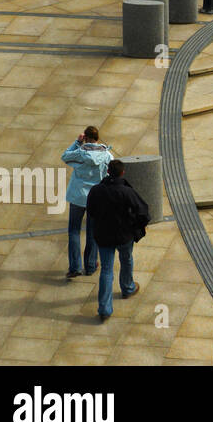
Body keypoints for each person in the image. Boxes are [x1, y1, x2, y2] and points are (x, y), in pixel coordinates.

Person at [85, 159, 150, 322]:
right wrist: (136, 225)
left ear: (107, 172)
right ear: (122, 173)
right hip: (124, 235)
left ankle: (104, 309)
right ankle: (127, 287)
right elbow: (144, 212)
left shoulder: (96, 190)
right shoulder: (127, 192)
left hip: (103, 236)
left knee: (106, 270)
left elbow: (91, 212)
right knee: (126, 259)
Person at [61, 126, 113, 280]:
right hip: (96, 198)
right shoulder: (107, 156)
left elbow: (65, 156)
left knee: (74, 231)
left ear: (86, 138)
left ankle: (75, 267)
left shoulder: (80, 153)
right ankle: (90, 265)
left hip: (78, 197)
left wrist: (77, 142)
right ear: (97, 138)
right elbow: (111, 174)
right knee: (92, 232)